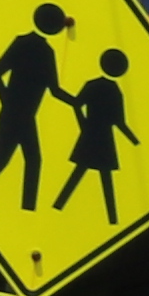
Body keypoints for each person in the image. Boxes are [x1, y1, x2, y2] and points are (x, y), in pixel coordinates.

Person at [0, 4, 70, 207]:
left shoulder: (42, 50)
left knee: (25, 160)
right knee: (8, 159)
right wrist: (7, 101)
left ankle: (25, 207)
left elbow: (54, 90)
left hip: (23, 116)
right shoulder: (29, 45)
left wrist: (77, 102)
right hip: (16, 114)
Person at [57, 48, 139, 228]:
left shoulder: (110, 89)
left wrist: (135, 141)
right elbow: (118, 122)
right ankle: (60, 205)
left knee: (98, 174)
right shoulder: (109, 89)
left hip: (98, 134)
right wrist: (83, 125)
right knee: (87, 172)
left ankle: (111, 218)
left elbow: (117, 121)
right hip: (98, 134)